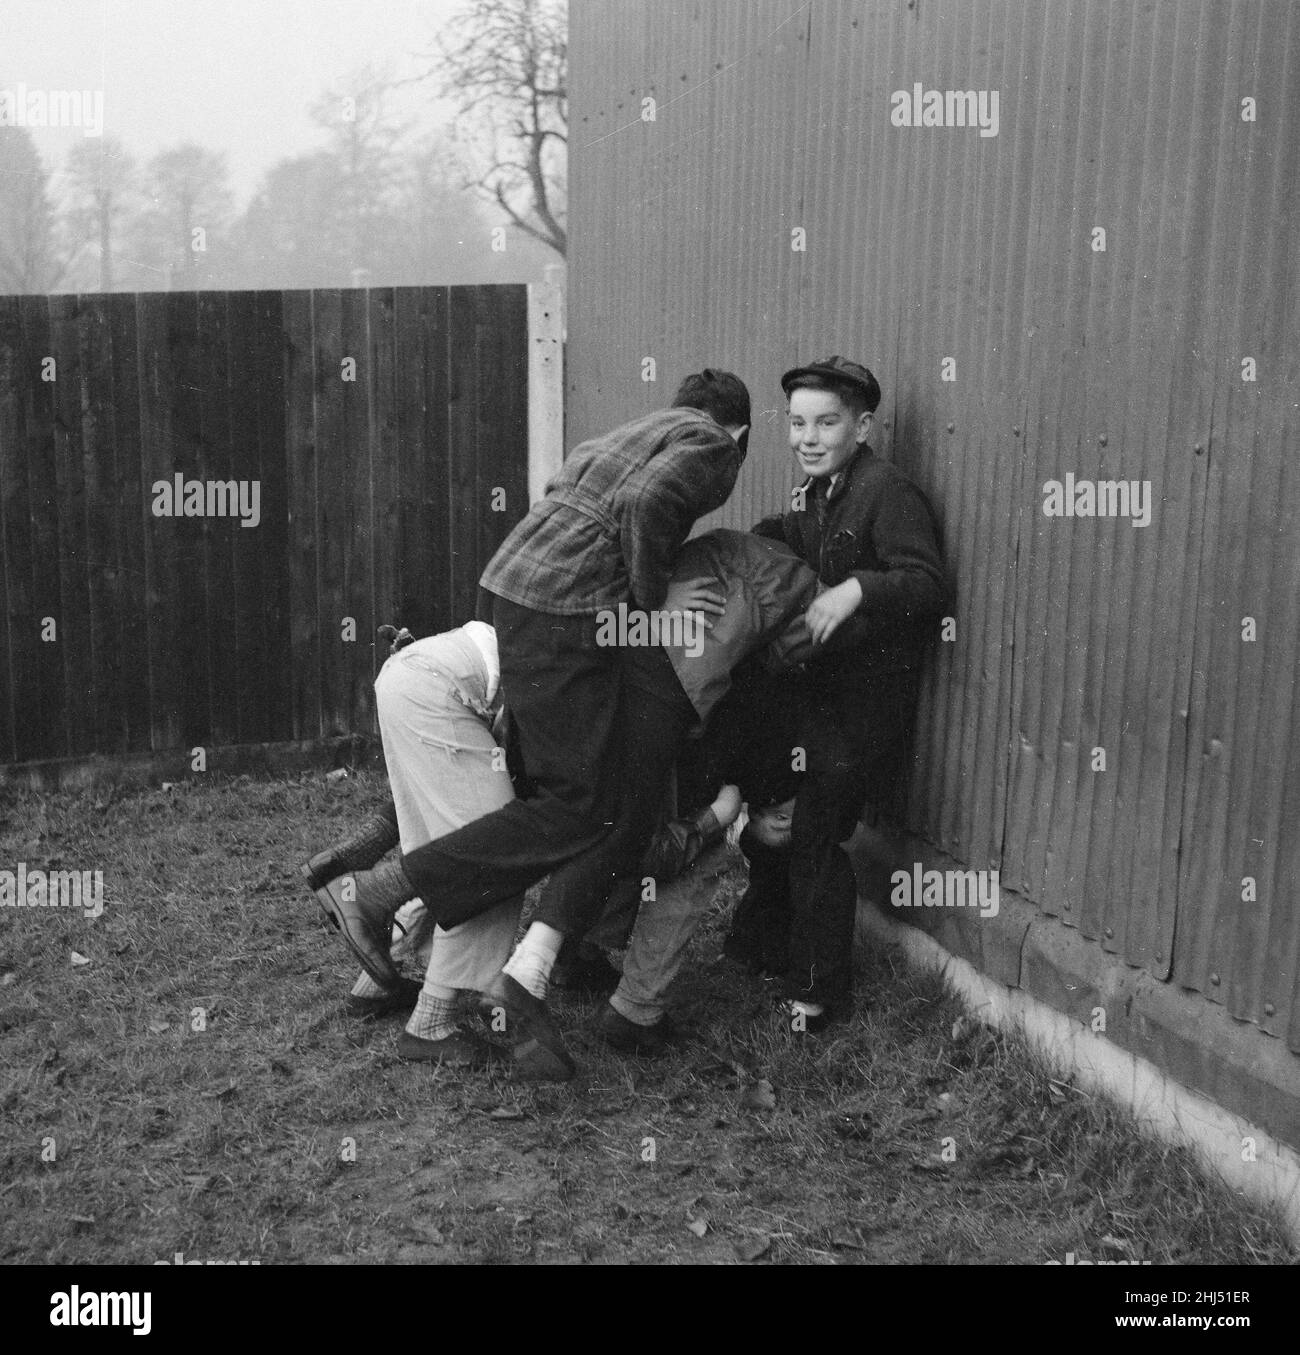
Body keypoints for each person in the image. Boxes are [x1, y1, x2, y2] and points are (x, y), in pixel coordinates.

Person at [312, 371, 752, 1072]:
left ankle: (397, 903)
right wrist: (639, 603)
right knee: (580, 805)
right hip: (567, 612)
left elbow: (560, 492)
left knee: (536, 781)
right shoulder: (713, 445)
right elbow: (649, 501)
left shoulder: (617, 438)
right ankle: (384, 891)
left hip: (510, 589)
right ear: (740, 433)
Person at [308, 528, 831, 1078]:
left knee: (478, 841)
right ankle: (443, 1015)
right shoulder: (670, 681)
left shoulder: (621, 604)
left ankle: (383, 965)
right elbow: (631, 840)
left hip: (437, 679)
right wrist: (717, 821)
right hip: (475, 700)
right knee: (510, 855)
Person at [742, 356, 947, 1032]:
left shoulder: (888, 492)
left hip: (865, 704)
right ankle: (762, 942)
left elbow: (925, 583)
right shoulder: (814, 492)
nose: (808, 436)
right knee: (767, 812)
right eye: (798, 422)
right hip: (815, 692)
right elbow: (795, 544)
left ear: (861, 426)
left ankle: (817, 992)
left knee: (813, 830)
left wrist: (859, 587)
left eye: (826, 422)